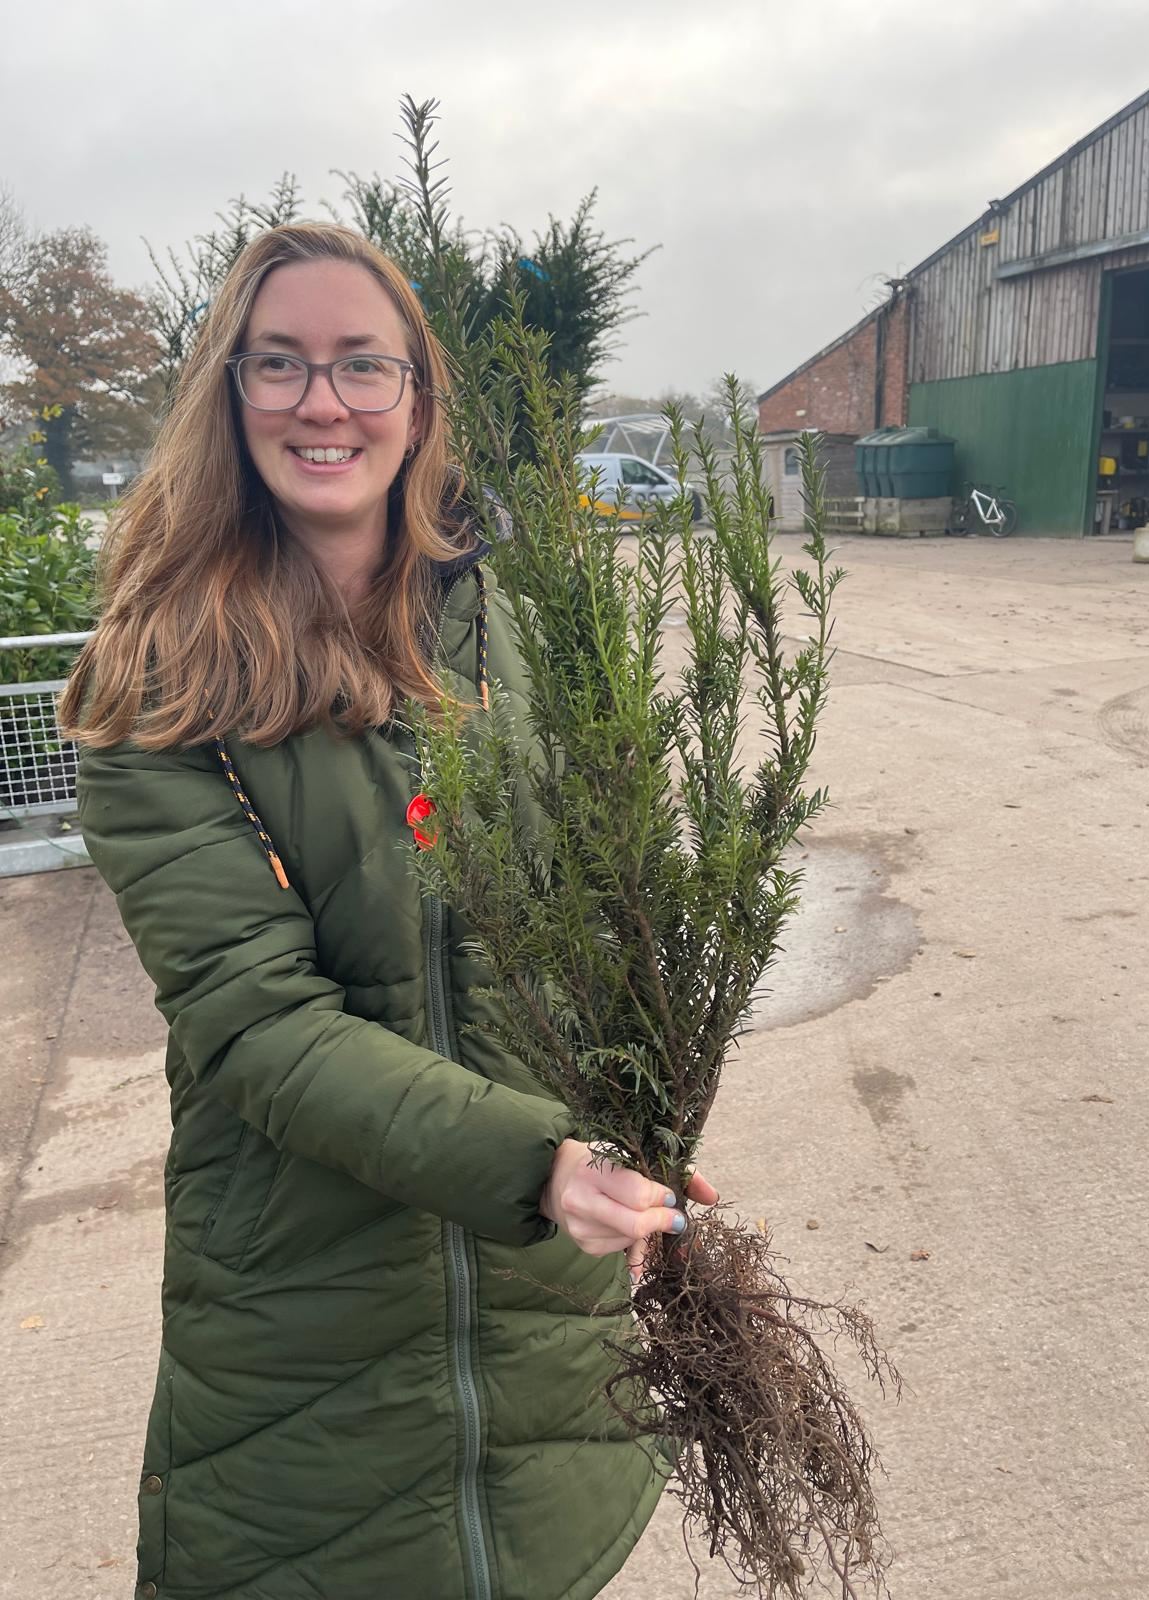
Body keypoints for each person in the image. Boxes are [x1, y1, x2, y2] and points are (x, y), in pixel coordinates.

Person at [60, 222, 717, 1600]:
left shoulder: (528, 634)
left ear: (417, 396)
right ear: (227, 396)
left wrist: (638, 1131)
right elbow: (254, 1022)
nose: (324, 401)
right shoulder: (160, 680)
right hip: (307, 1315)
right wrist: (531, 1164)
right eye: (280, 364)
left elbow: (614, 915)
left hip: (545, 1302)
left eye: (365, 364)